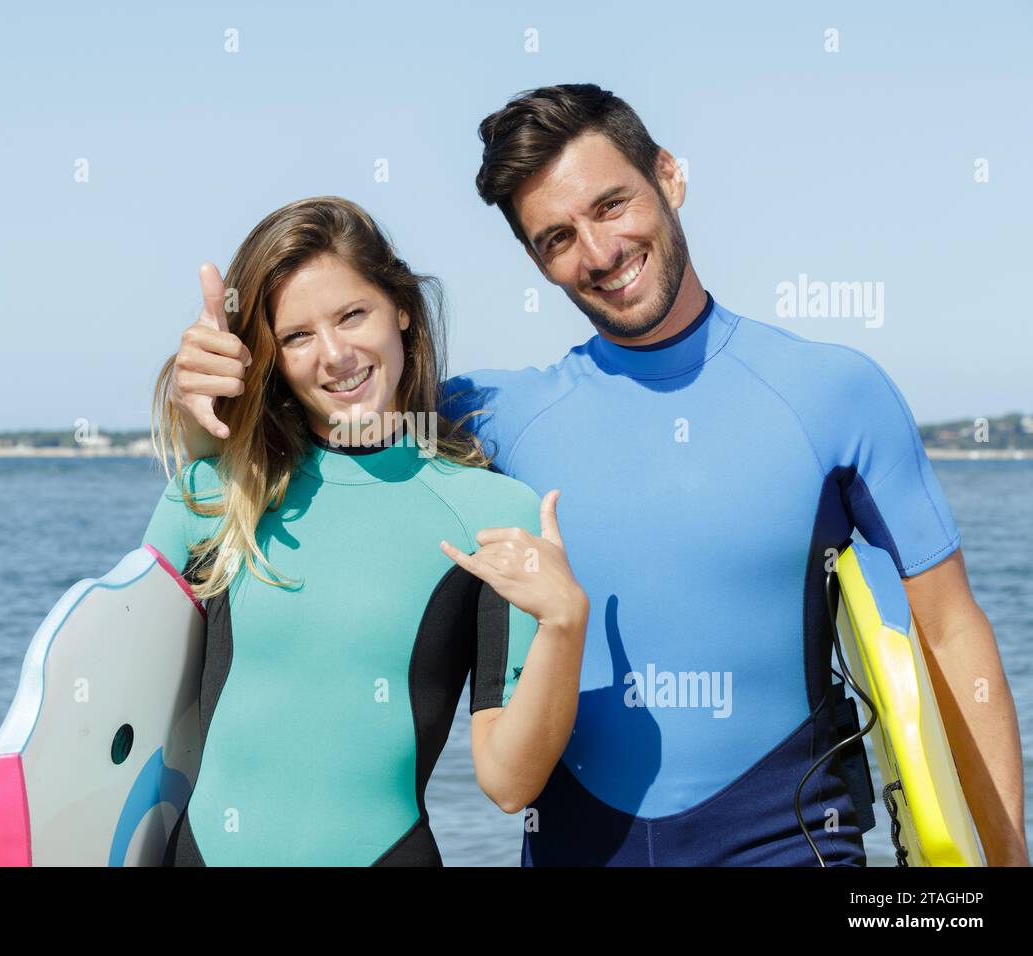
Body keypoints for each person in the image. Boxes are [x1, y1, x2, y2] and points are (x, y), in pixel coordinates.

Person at [166, 86, 1028, 867]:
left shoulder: (835, 394)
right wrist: (210, 386)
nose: (601, 251)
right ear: (537, 261)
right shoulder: (485, 421)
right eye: (557, 239)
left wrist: (1002, 859)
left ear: (670, 177)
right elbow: (323, 442)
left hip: (789, 847)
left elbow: (949, 634)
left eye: (612, 205)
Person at [141, 195, 588, 866]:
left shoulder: (493, 512)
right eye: (296, 337)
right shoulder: (215, 496)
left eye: (354, 315)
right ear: (271, 357)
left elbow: (508, 781)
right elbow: (128, 710)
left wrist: (565, 625)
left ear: (401, 309)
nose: (334, 355)